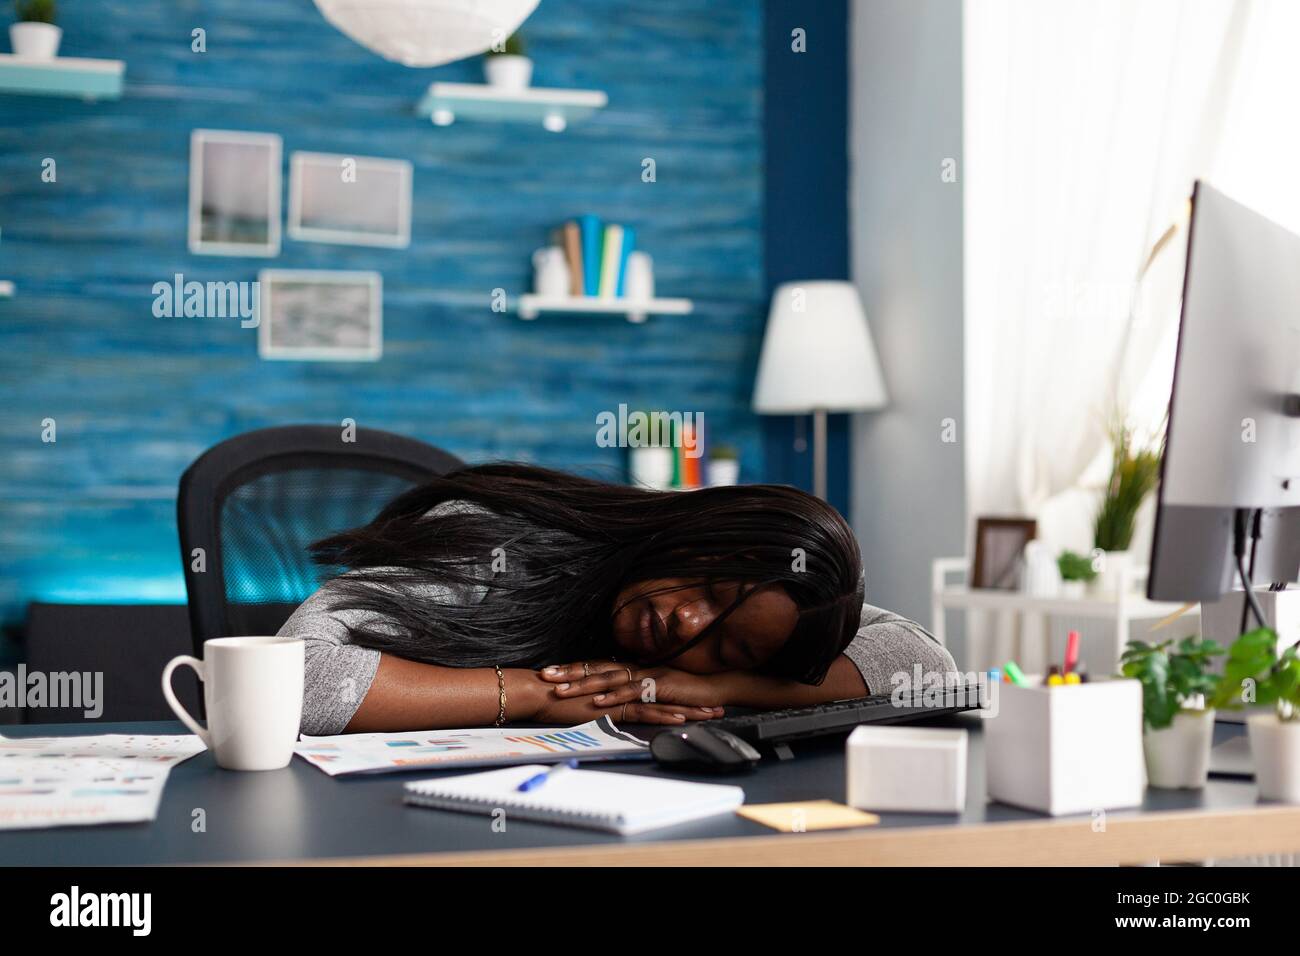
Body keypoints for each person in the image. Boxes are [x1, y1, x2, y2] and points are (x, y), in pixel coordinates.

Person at [279, 463, 955, 734]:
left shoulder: (763, 625)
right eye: (711, 587)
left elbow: (923, 667)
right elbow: (293, 680)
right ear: (699, 527)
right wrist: (540, 693)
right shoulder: (505, 547)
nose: (688, 621)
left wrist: (694, 684)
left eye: (728, 642)